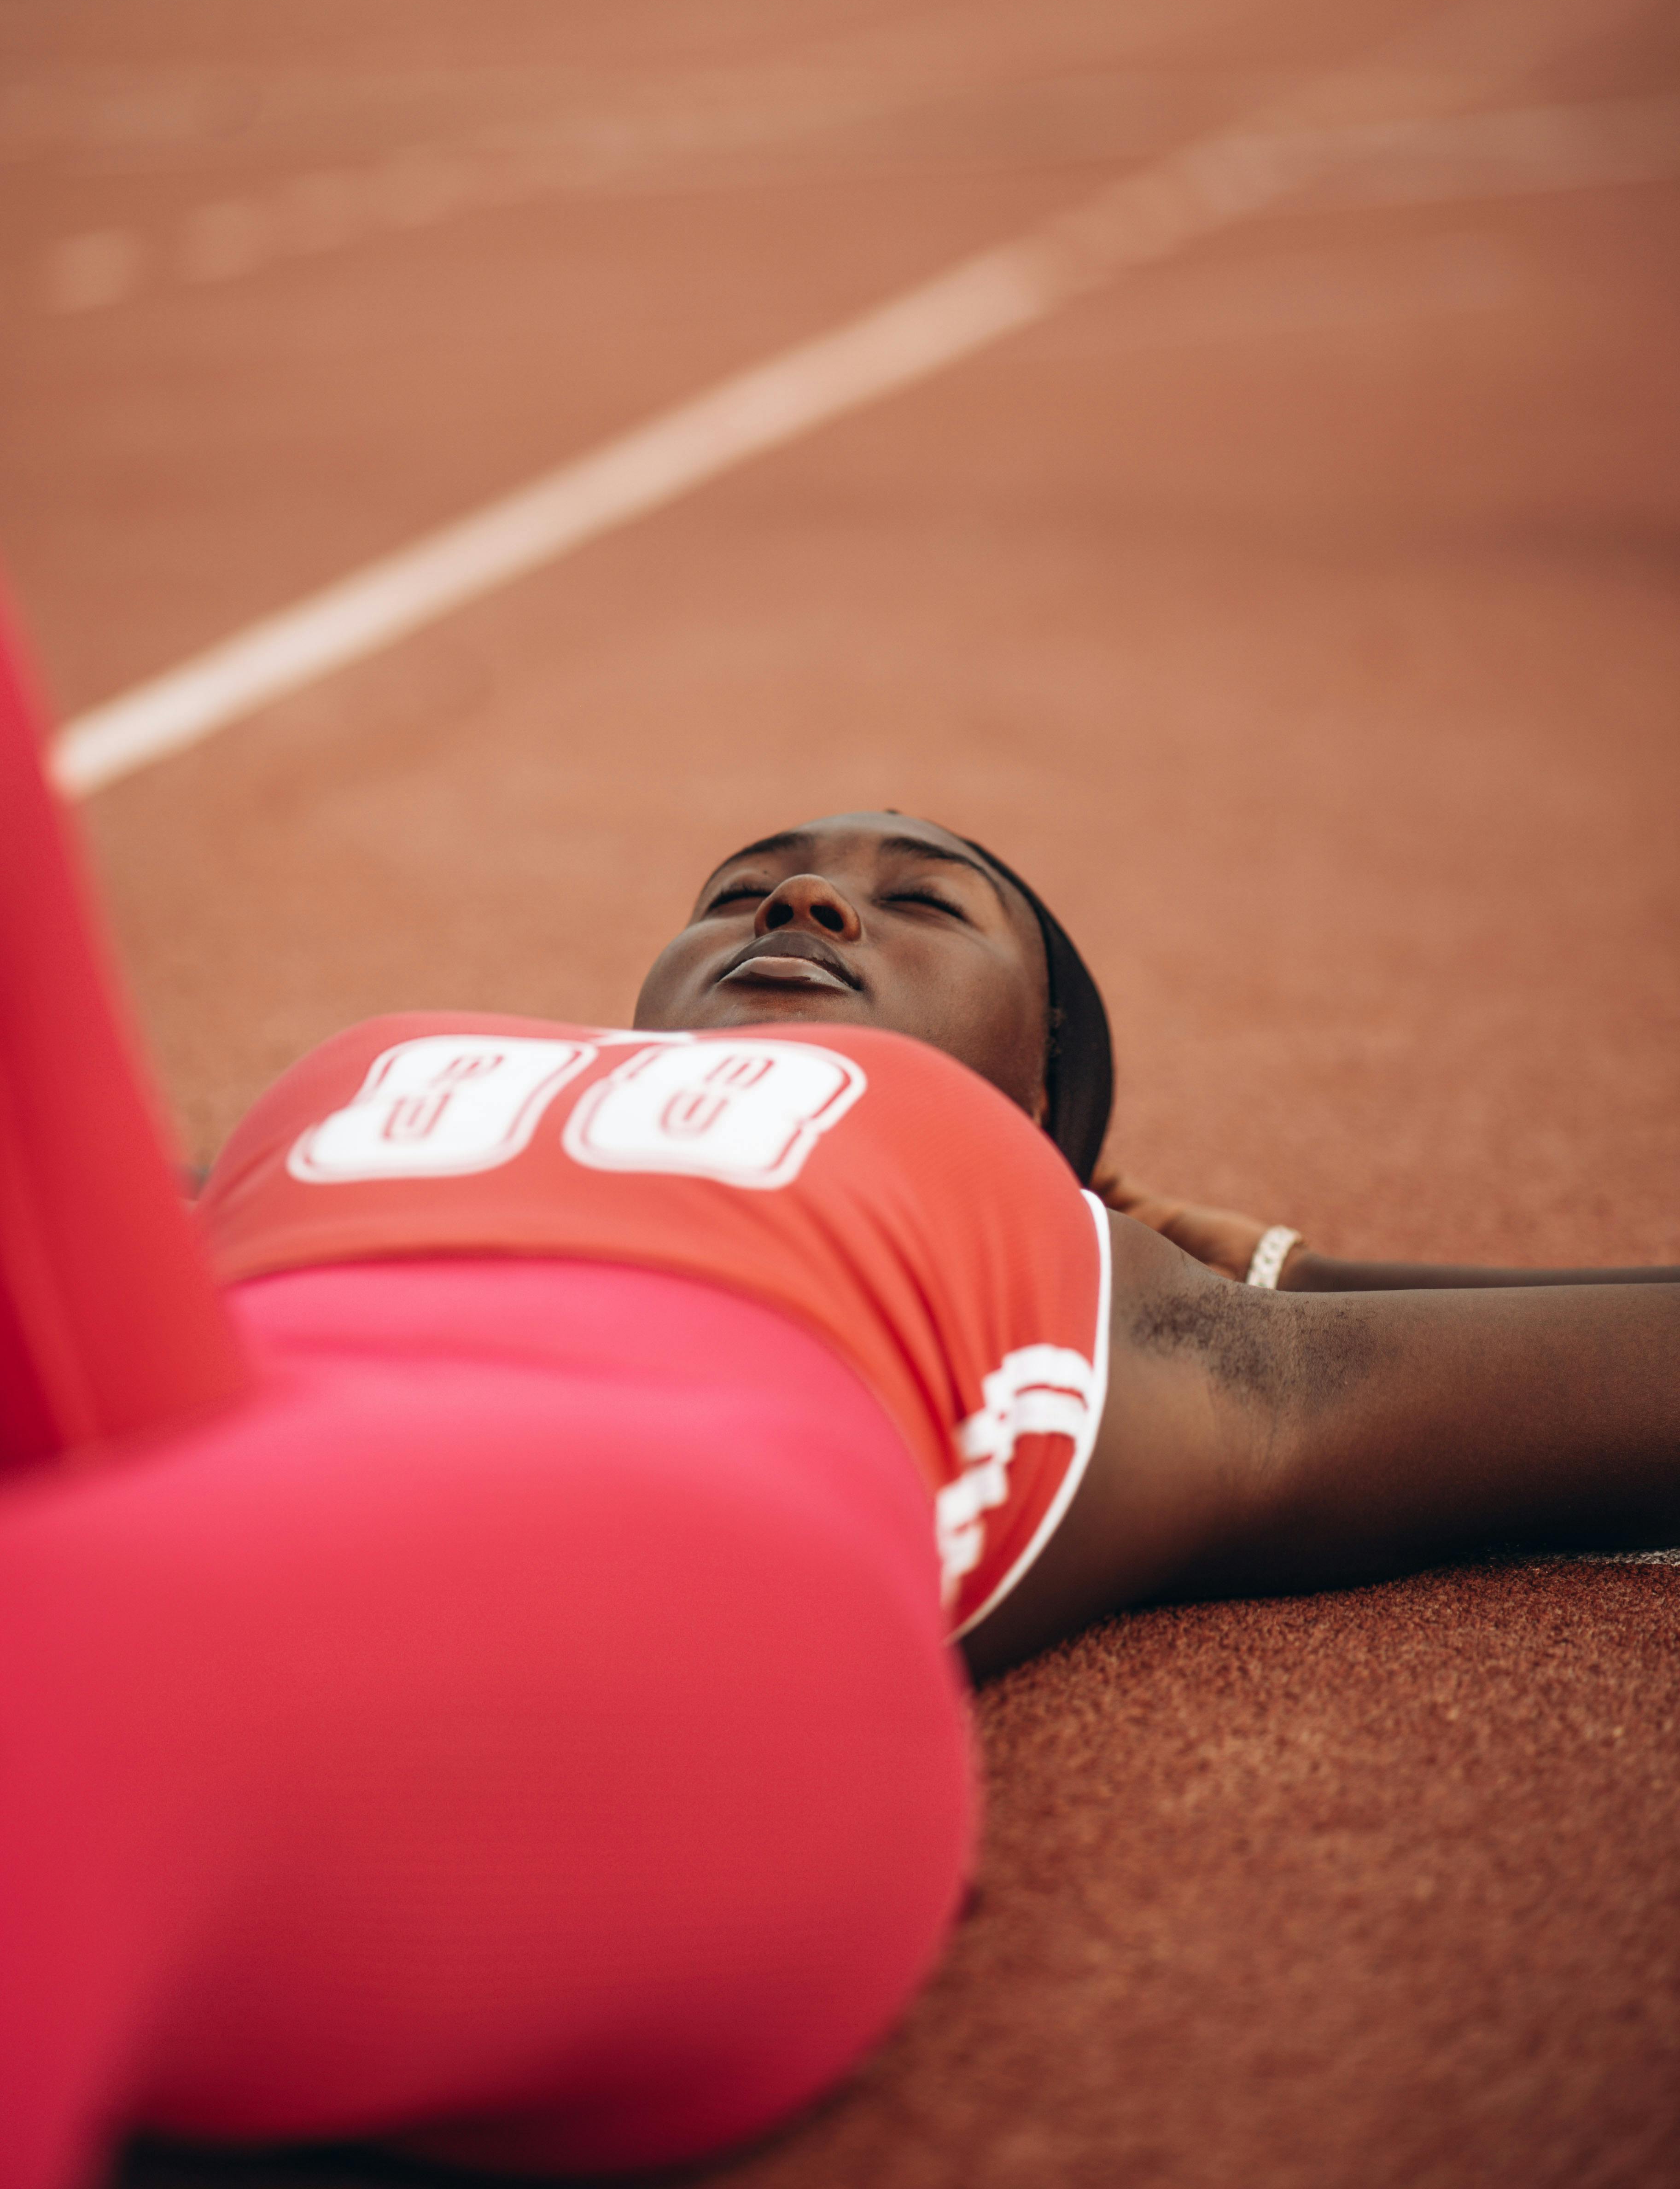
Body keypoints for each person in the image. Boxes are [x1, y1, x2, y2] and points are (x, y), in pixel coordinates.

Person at [1, 590, 1674, 2189]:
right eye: (746, 888)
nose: (798, 908)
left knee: (60, 1664)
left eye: (925, 905)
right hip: (196, 1423)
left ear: (1041, 1112)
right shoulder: (382, 1087)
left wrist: (1278, 1270)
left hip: (663, 1568)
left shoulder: (1079, 1266)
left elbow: (1575, 1374)